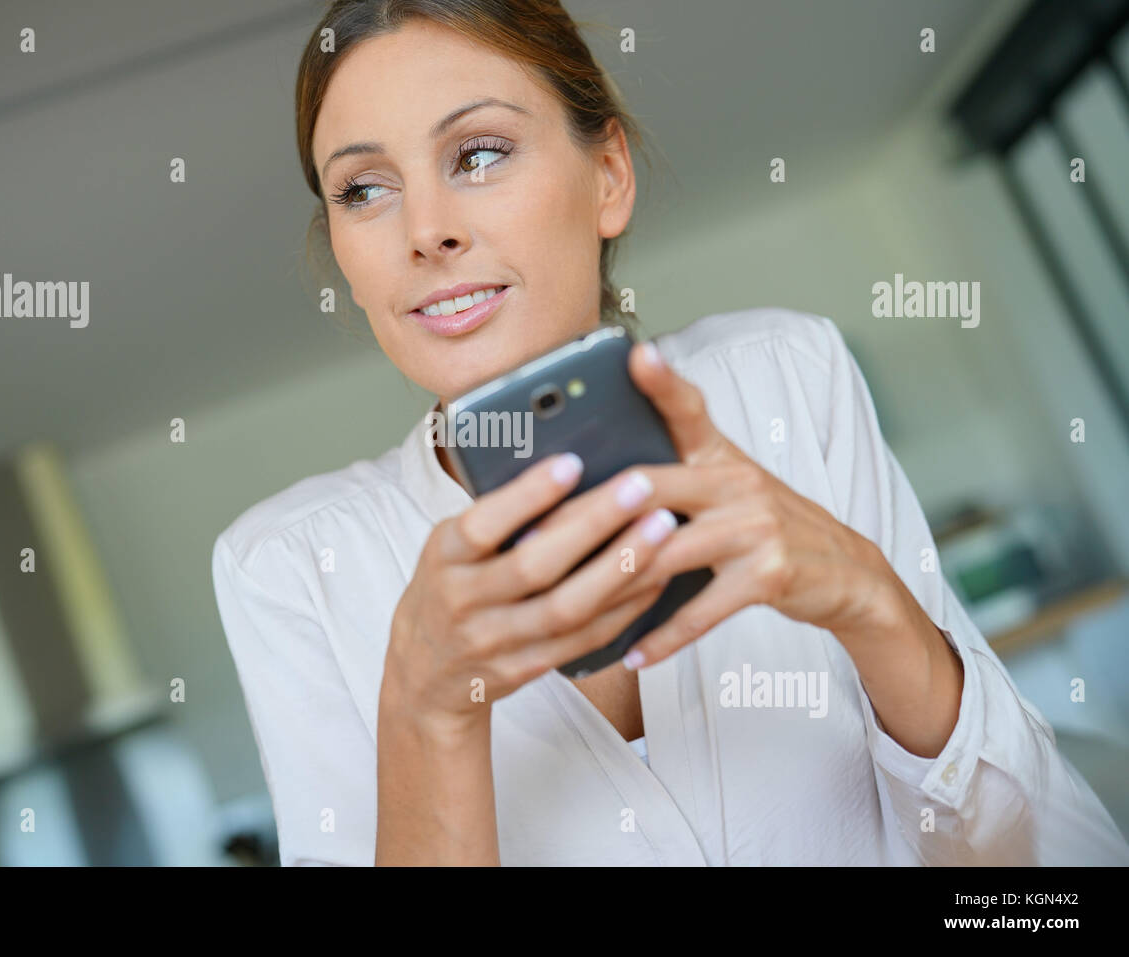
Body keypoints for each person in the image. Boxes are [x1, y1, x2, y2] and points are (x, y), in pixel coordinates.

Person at [211, 0, 1129, 866]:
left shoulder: (784, 375)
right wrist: (427, 711)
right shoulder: (289, 567)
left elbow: (1034, 889)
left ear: (608, 176)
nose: (425, 231)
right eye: (364, 188)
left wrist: (870, 602)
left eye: (479, 153)